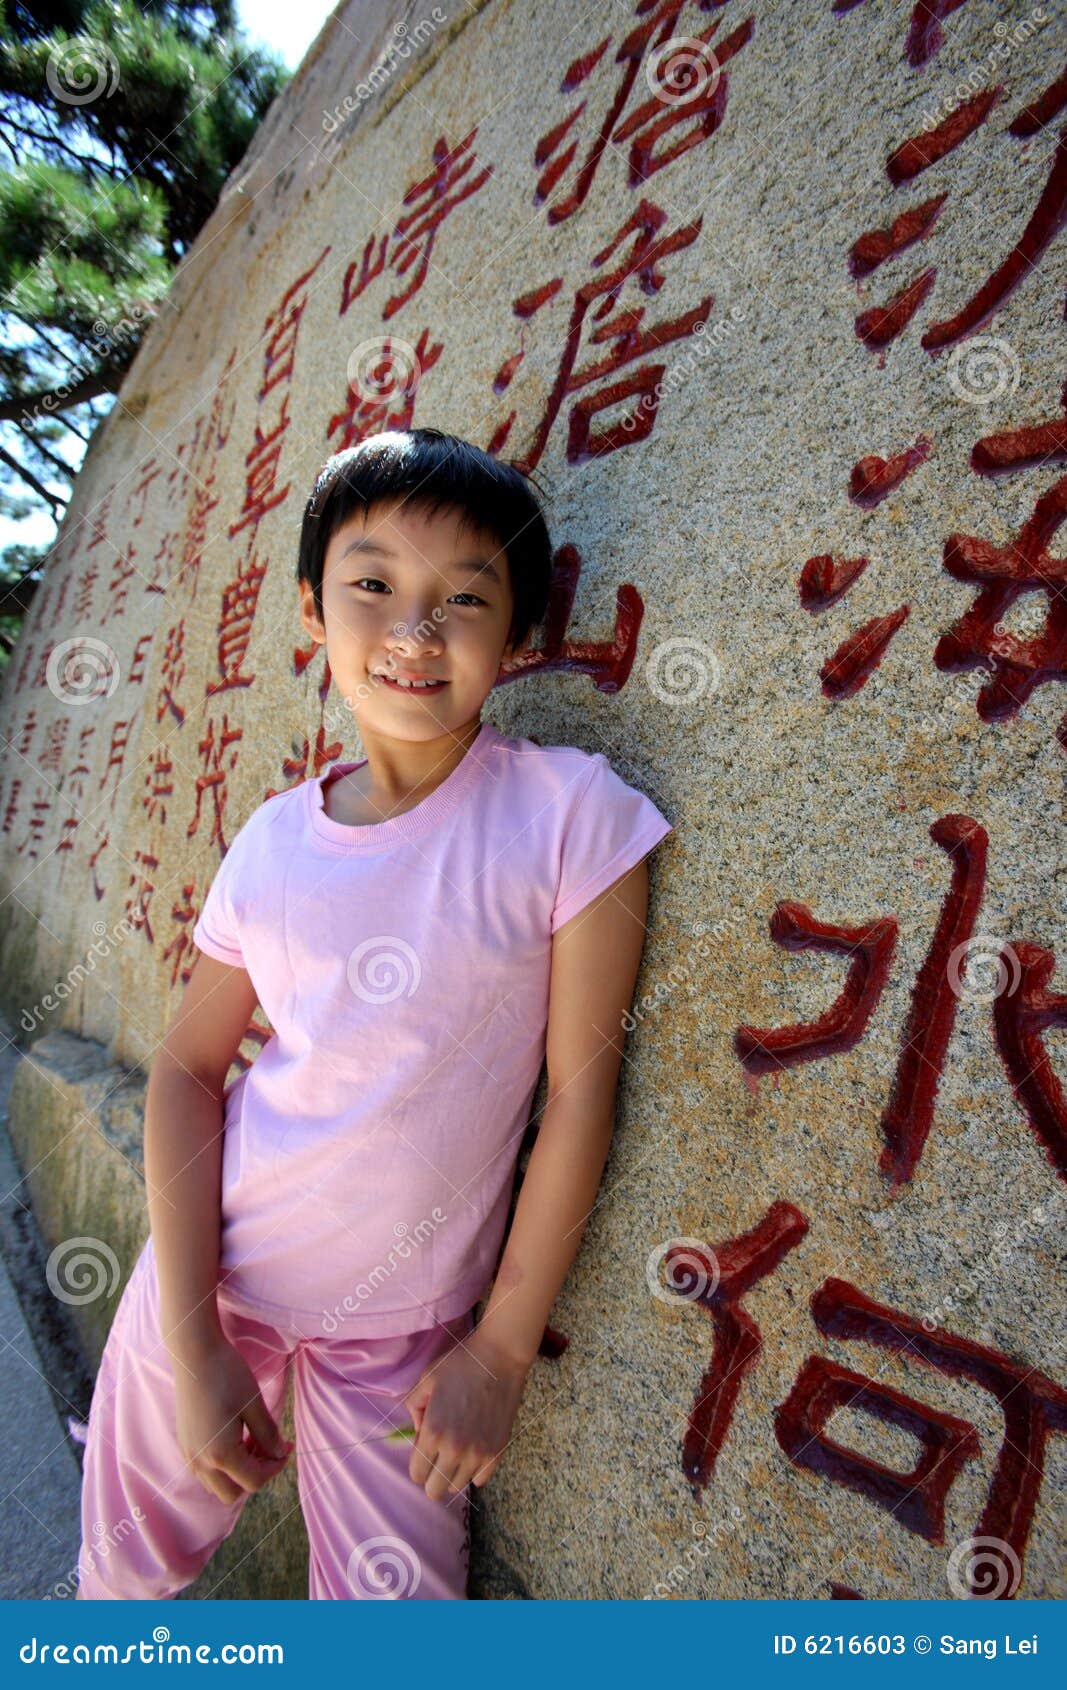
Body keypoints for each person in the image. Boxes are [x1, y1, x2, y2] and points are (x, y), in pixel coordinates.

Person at [75, 427, 673, 1600]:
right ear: (311, 608)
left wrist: (500, 1349)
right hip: (218, 1276)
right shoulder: (270, 842)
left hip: (406, 1331)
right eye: (371, 585)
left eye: (465, 598)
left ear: (518, 634)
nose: (414, 630)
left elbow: (579, 1093)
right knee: (117, 1578)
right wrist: (191, 1341)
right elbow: (189, 1071)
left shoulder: (571, 816)